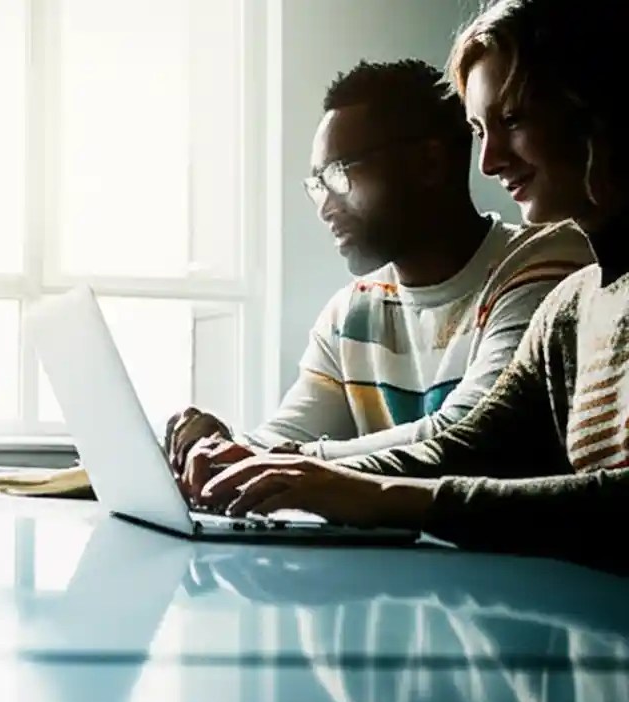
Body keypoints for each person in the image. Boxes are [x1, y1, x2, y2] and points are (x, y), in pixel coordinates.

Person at [195, 0, 629, 574]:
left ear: (590, 105)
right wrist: (283, 473)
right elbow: (465, 451)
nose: (490, 161)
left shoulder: (549, 274)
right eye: (479, 131)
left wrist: (362, 492)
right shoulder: (571, 310)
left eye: (514, 120)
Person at [165, 58, 591, 489]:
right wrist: (218, 447)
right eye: (317, 183)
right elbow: (287, 438)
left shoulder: (545, 265)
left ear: (428, 163)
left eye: (338, 174)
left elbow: (466, 435)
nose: (325, 205)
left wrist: (278, 458)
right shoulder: (352, 312)